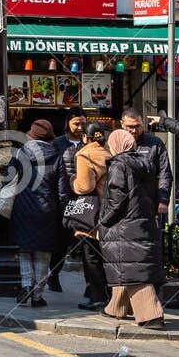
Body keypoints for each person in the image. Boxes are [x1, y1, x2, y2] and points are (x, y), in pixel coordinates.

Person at [99, 128, 166, 329]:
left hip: (125, 225)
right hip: (142, 221)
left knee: (134, 269)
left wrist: (104, 220)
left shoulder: (119, 165)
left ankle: (151, 315)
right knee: (127, 264)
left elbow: (117, 198)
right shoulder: (145, 164)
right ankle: (116, 307)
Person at [9, 119, 64, 307]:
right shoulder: (56, 156)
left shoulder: (19, 154)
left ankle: (26, 286)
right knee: (43, 252)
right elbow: (62, 188)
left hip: (22, 206)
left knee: (25, 249)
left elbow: (8, 180)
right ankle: (38, 295)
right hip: (47, 208)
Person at [65, 121, 113, 310]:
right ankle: (110, 295)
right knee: (106, 255)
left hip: (92, 211)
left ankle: (97, 296)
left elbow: (85, 187)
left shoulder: (84, 155)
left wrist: (73, 182)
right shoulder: (109, 152)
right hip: (109, 208)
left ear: (85, 137)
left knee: (91, 255)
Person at [47, 112, 87, 292]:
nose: (80, 127)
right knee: (60, 241)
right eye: (76, 123)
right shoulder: (58, 144)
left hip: (86, 198)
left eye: (83, 123)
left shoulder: (90, 143)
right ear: (67, 123)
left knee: (86, 241)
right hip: (64, 198)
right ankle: (53, 275)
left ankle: (90, 283)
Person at [121, 110, 173, 218]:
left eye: (138, 126)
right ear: (122, 124)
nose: (134, 130)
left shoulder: (154, 143)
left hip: (149, 202)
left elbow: (165, 172)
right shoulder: (115, 143)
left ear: (143, 123)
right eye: (130, 127)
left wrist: (163, 200)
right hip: (123, 203)